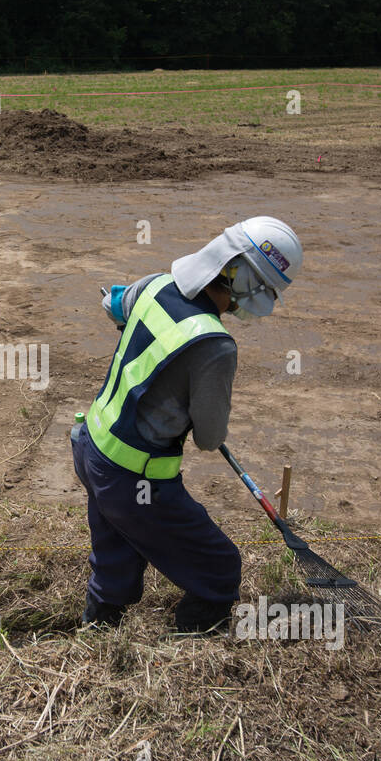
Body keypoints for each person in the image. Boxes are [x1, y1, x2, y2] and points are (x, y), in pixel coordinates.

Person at [71, 217, 303, 634]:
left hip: (91, 449)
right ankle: (186, 657)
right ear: (243, 279)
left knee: (116, 560)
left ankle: (96, 634)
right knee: (218, 568)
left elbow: (115, 305)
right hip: (135, 483)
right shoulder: (214, 345)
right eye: (265, 289)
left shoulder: (157, 284)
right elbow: (210, 438)